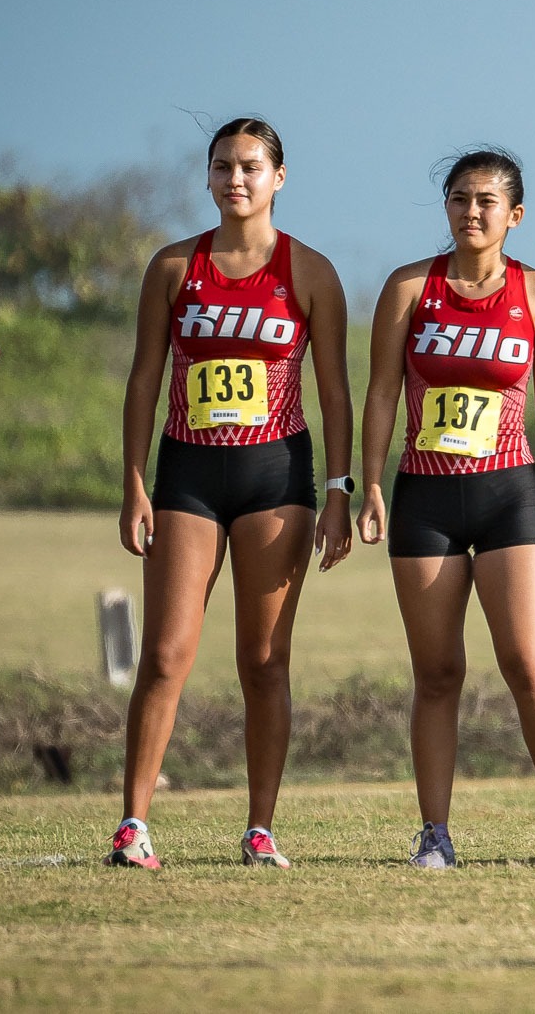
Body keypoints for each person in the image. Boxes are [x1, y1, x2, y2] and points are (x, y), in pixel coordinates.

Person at [109, 118, 352, 870]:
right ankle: (132, 824)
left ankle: (260, 828)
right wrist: (134, 482)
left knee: (264, 660)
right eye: (222, 167)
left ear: (280, 176)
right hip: (188, 474)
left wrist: (340, 490)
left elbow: (337, 392)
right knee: (165, 653)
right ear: (207, 177)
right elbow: (145, 377)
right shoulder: (174, 267)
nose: (235, 180)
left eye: (250, 167)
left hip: (276, 478)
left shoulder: (309, 271)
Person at [357, 148, 535, 868]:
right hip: (425, 494)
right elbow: (383, 392)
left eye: (487, 201)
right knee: (437, 672)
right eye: (459, 198)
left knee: (528, 662)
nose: (472, 211)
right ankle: (435, 832)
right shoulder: (408, 288)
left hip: (509, 493)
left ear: (514, 215)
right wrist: (368, 482)